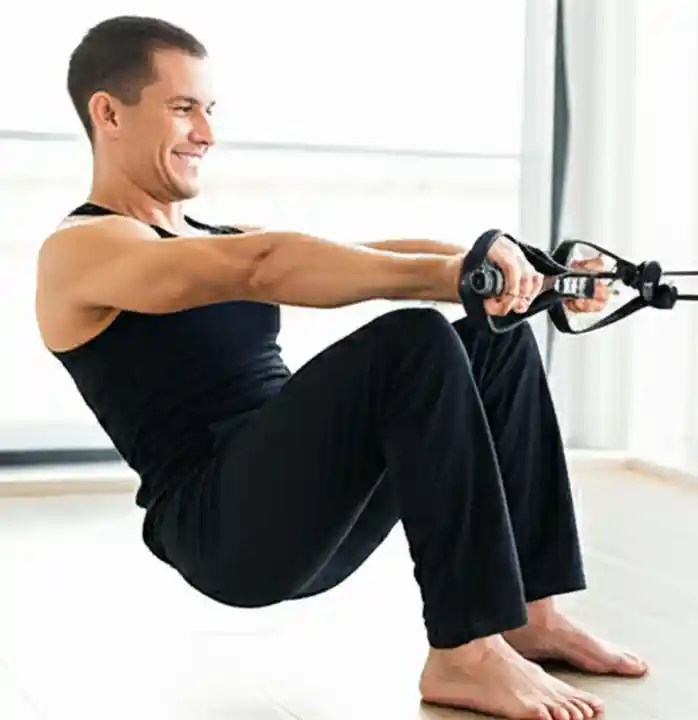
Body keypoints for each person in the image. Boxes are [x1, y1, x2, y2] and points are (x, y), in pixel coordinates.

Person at [34, 15, 647, 720]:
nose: (206, 131)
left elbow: (361, 250)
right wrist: (456, 274)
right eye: (182, 108)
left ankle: (528, 615)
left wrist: (526, 270)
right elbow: (268, 266)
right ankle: (464, 650)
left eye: (209, 109)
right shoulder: (81, 249)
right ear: (107, 113)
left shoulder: (218, 233)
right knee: (411, 340)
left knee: (497, 336)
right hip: (222, 527)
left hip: (313, 507)